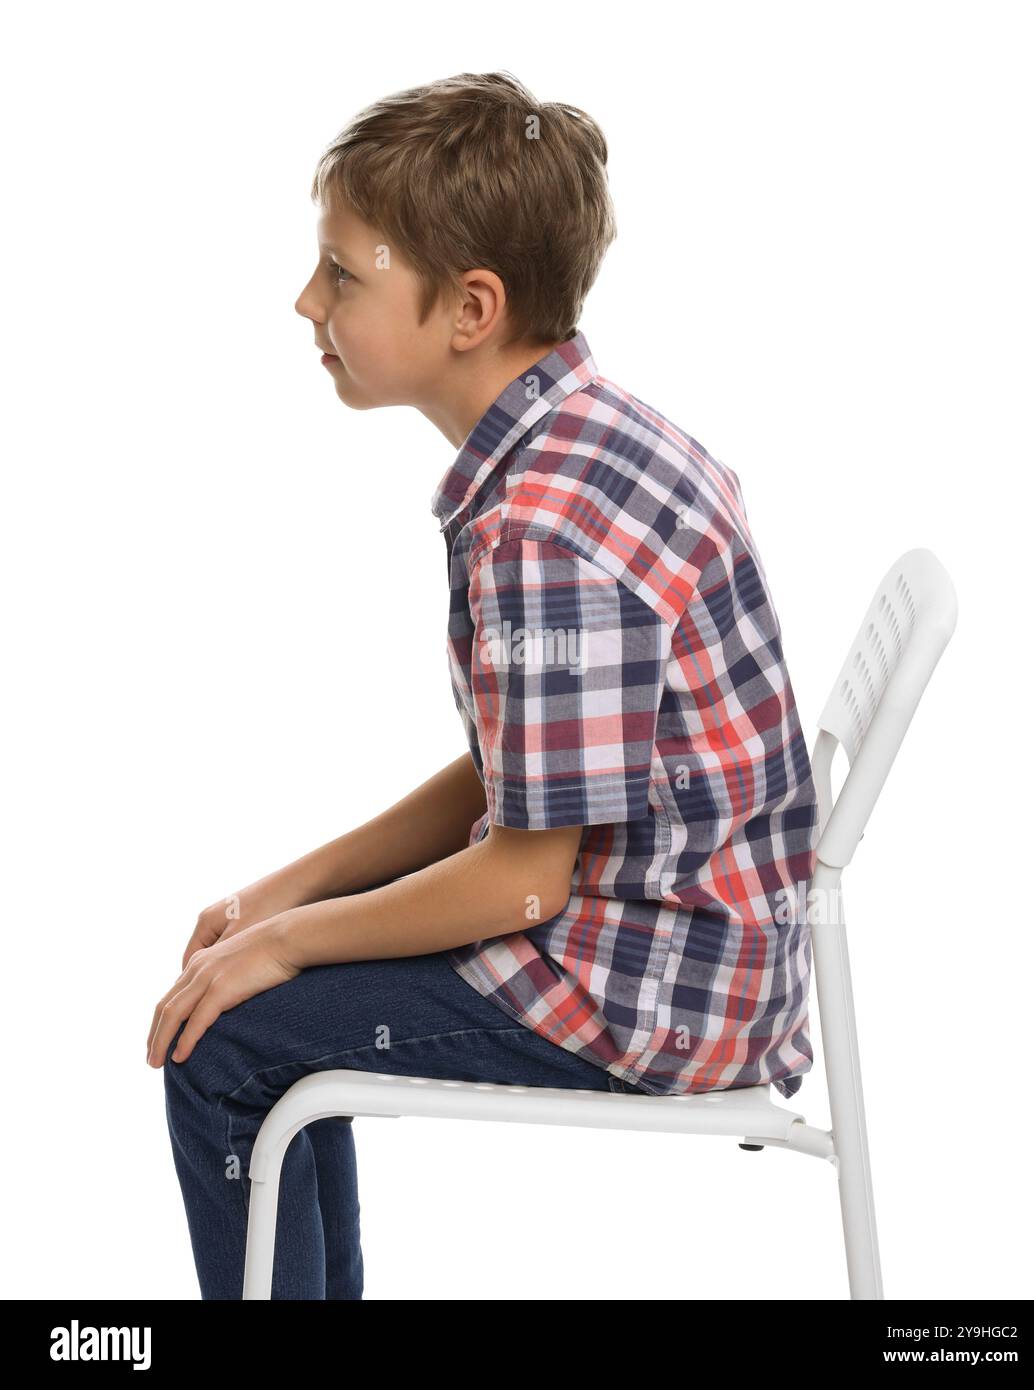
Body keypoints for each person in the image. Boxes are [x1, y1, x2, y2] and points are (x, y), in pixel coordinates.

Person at [148, 70, 820, 1300]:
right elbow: (529, 773)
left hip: (649, 988)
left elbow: (520, 882)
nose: (307, 300)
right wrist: (283, 896)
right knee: (264, 1014)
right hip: (694, 945)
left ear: (470, 307)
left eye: (344, 274)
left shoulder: (543, 529)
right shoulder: (589, 434)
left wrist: (289, 947)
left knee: (227, 1046)